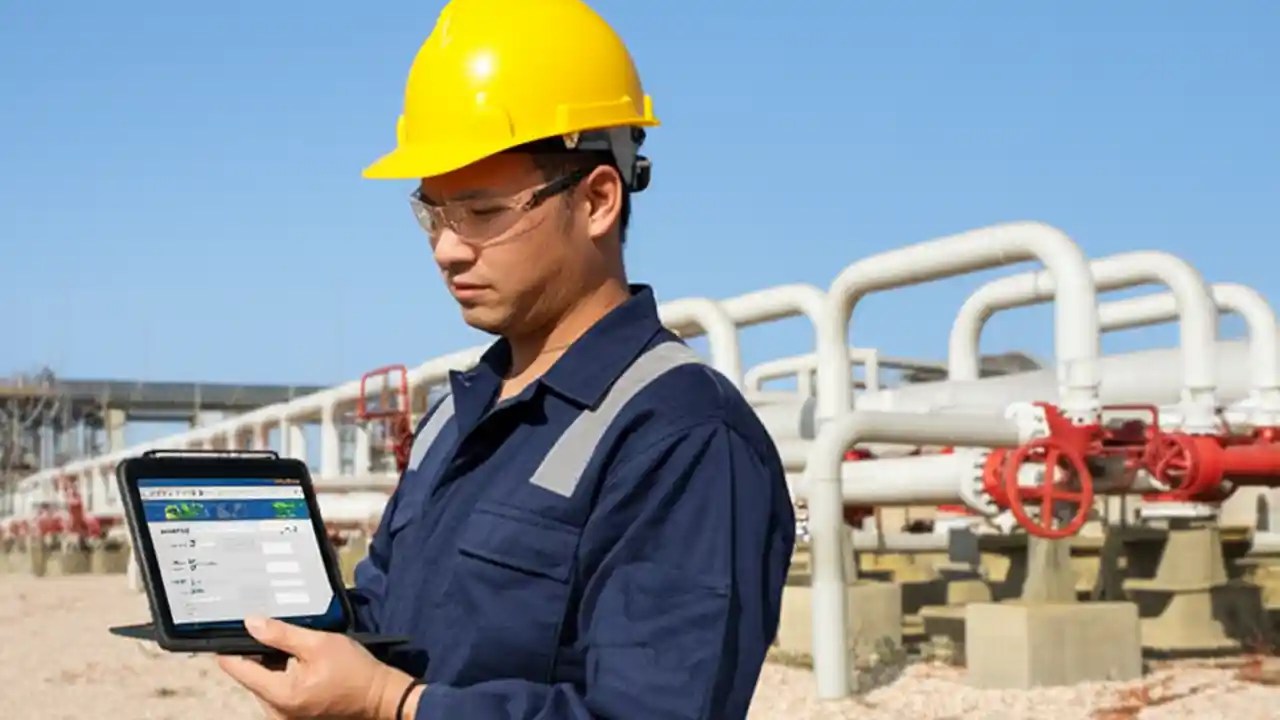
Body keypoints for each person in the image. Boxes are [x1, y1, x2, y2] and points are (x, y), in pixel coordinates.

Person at [217, 0, 796, 718]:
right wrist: (287, 630)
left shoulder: (684, 437)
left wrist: (393, 706)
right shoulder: (452, 419)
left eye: (483, 214)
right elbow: (397, 616)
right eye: (433, 211)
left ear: (597, 201)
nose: (446, 249)